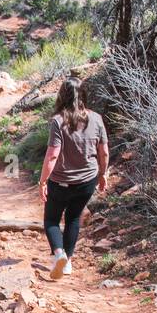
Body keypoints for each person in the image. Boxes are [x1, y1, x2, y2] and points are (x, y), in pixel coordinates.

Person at [38, 77, 109, 280]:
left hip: (61, 181)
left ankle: (59, 254)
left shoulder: (59, 121)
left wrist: (43, 181)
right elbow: (103, 152)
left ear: (62, 95)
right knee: (73, 218)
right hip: (87, 181)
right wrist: (103, 174)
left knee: (51, 219)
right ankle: (67, 262)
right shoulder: (96, 119)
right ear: (83, 94)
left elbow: (52, 155)